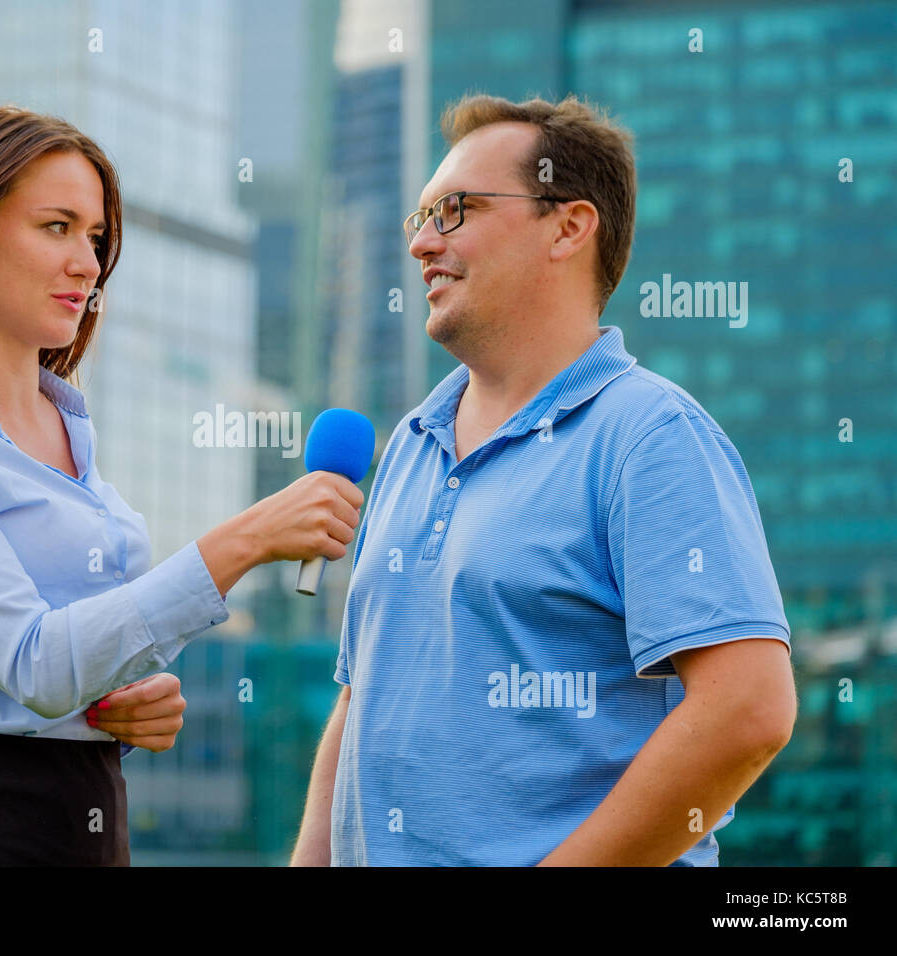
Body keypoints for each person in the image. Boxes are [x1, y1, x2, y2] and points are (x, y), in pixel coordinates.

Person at [0, 106, 364, 866]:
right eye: (56, 227)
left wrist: (131, 706)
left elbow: (80, 663)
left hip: (91, 826)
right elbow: (36, 665)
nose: (87, 263)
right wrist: (249, 539)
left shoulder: (70, 425)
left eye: (96, 238)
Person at [290, 93, 797, 867]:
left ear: (569, 226)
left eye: (455, 210)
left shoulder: (651, 437)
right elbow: (362, 701)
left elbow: (749, 710)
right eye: (419, 218)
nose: (423, 242)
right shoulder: (410, 448)